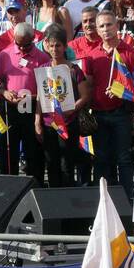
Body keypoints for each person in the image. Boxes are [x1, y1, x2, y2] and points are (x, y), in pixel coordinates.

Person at [81, 8, 134, 201]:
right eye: (102, 26)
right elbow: (87, 86)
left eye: (109, 25)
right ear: (96, 29)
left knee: (124, 159)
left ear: (117, 26)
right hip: (99, 114)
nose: (106, 29)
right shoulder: (91, 55)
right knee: (102, 159)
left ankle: (128, 200)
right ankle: (102, 200)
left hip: (122, 113)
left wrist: (122, 90)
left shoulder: (130, 53)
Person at [0, 20, 51, 182]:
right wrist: (4, 92)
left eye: (27, 45)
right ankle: (9, 185)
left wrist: (31, 97)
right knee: (9, 152)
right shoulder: (5, 55)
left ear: (33, 40)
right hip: (10, 109)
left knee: (34, 152)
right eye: (19, 44)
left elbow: (47, 90)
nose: (23, 49)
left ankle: (35, 185)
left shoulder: (42, 57)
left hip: (32, 108)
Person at [38, 25, 93, 187]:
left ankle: (67, 201)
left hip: (69, 123)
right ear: (46, 46)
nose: (55, 49)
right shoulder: (43, 70)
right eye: (52, 45)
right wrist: (37, 121)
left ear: (65, 46)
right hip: (49, 124)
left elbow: (85, 96)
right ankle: (54, 202)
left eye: (58, 45)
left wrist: (72, 109)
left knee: (67, 164)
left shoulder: (74, 69)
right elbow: (41, 98)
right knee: (52, 163)